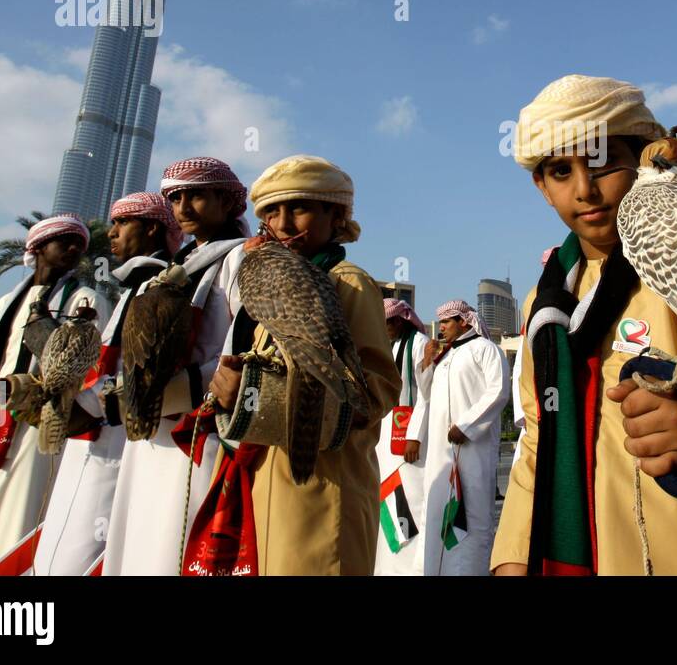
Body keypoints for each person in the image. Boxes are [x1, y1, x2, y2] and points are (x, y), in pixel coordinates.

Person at [492, 74, 677, 575]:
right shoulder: (545, 301)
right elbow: (536, 435)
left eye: (601, 163)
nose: (585, 190)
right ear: (542, 188)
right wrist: (513, 552)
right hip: (577, 553)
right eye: (560, 172)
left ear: (642, 157)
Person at [202, 155, 400, 575]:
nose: (284, 223)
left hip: (325, 491)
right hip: (265, 479)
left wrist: (265, 398)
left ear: (335, 214)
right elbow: (257, 381)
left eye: (300, 208)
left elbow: (378, 391)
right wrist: (231, 392)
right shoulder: (273, 284)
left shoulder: (349, 281)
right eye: (272, 212)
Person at [0, 214, 110, 575]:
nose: (74, 250)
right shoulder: (2, 306)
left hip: (44, 429)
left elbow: (94, 369)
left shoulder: (85, 300)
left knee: (25, 516)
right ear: (38, 248)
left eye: (80, 245)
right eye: (65, 241)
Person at [103, 158, 250, 575]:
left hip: (198, 430)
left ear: (227, 201)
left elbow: (241, 350)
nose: (183, 206)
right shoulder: (174, 268)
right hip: (150, 432)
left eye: (196, 195)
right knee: (139, 542)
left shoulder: (242, 258)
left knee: (175, 543)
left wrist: (182, 389)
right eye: (175, 198)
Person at [34, 192, 181, 575]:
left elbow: (142, 371)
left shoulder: (160, 289)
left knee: (83, 554)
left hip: (117, 440)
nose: (112, 234)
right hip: (90, 439)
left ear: (152, 229)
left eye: (122, 224)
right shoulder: (132, 288)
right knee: (61, 548)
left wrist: (87, 405)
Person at [418, 300, 507, 576]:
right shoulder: (443, 357)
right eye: (440, 322)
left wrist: (466, 425)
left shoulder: (486, 350)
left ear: (465, 321)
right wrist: (426, 364)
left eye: (447, 321)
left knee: (471, 518)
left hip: (472, 451)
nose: (441, 327)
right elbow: (426, 395)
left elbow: (499, 392)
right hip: (440, 455)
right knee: (436, 516)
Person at [374, 298, 433, 574]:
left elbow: (426, 394)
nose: (381, 329)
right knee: (385, 496)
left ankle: (411, 568)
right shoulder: (388, 345)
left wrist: (415, 435)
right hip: (384, 437)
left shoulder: (419, 344)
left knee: (408, 500)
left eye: (385, 324)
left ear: (397, 321)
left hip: (408, 441)